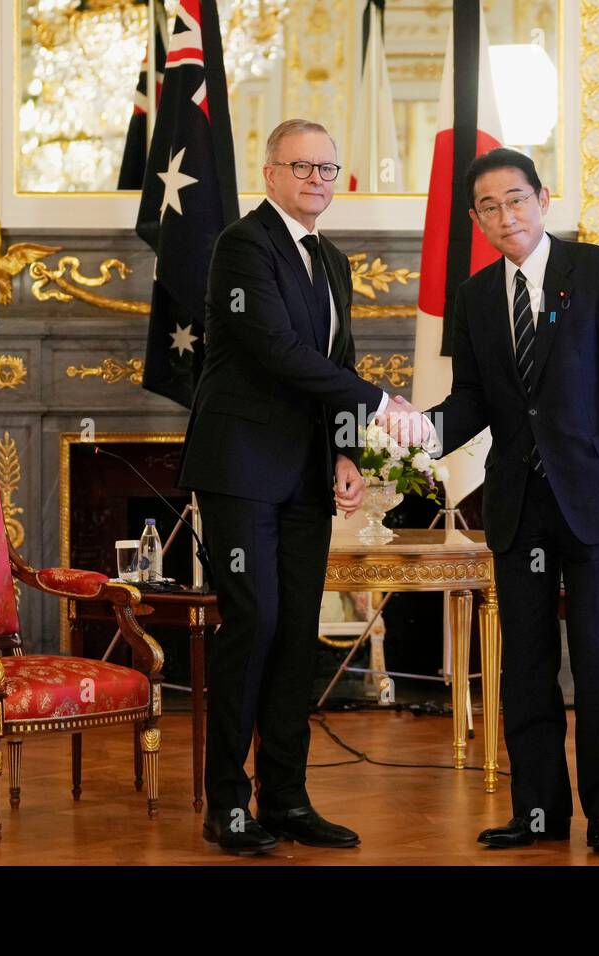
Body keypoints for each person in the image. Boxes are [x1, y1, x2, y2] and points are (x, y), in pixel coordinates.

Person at [391, 147, 599, 851]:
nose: (504, 215)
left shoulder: (598, 271)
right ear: (476, 219)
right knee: (524, 667)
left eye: (515, 199)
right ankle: (538, 814)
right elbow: (474, 402)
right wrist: (410, 434)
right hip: (519, 506)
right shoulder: (476, 296)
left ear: (543, 200)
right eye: (488, 206)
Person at [178, 118, 430, 854]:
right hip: (240, 471)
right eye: (302, 167)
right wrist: (382, 404)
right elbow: (279, 352)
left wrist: (346, 454)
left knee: (294, 635)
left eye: (328, 168)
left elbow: (335, 362)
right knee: (252, 622)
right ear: (271, 174)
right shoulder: (241, 246)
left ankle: (285, 799)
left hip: (303, 474)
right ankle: (226, 805)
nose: (318, 180)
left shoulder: (334, 263)